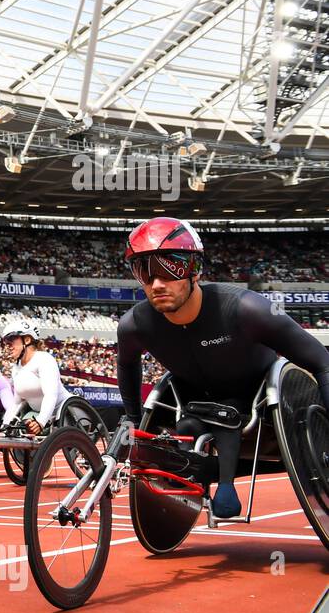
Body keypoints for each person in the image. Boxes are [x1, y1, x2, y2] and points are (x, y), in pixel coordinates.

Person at [117, 218, 329, 518]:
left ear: (195, 270)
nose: (157, 284)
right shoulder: (134, 326)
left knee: (227, 408)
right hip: (195, 408)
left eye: (170, 269)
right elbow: (126, 366)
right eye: (144, 272)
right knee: (191, 422)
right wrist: (135, 424)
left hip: (262, 405)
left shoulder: (246, 309)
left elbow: (321, 361)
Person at [0, 320, 71, 436]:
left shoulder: (44, 359)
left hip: (65, 413)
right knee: (20, 430)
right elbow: (17, 403)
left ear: (27, 340)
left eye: (11, 340)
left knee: (31, 428)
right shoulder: (16, 368)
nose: (8, 346)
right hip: (36, 413)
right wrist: (4, 426)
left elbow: (50, 394)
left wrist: (40, 421)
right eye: (6, 342)